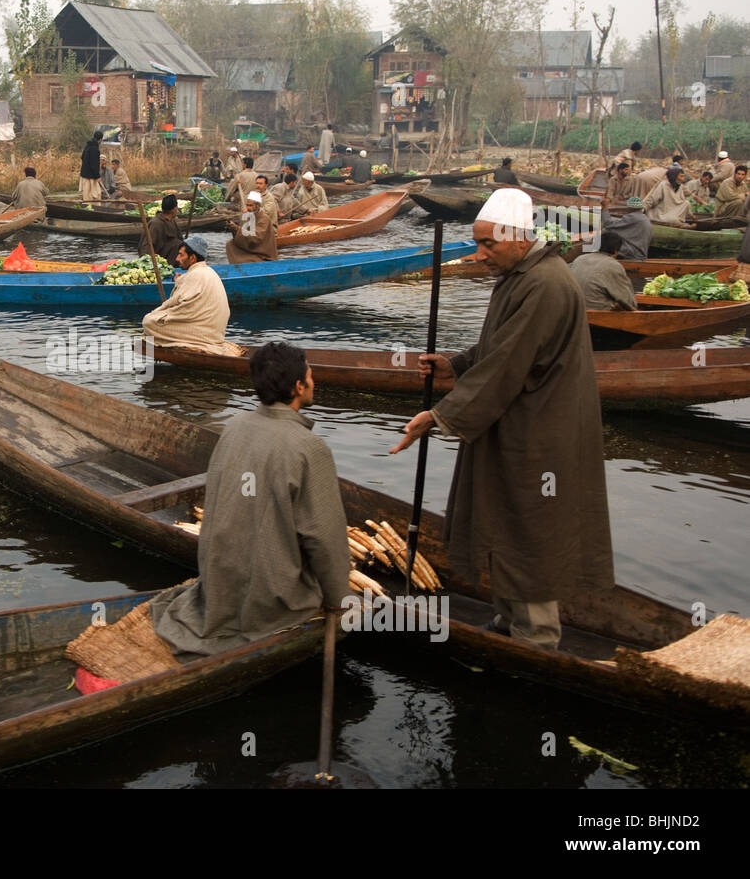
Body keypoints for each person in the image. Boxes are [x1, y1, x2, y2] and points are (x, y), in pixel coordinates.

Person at [390, 188, 614, 650]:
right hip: (516, 422)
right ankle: (509, 620)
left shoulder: (545, 283)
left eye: (488, 244)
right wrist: (457, 363)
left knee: (528, 526)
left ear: (518, 238)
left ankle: (536, 638)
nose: (480, 254)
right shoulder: (520, 274)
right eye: (478, 242)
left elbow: (508, 364)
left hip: (539, 431)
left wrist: (438, 415)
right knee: (502, 516)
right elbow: (496, 345)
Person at [150, 341, 348, 656]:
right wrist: (339, 600)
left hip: (217, 588)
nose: (314, 382)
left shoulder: (235, 427)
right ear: (298, 387)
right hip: (269, 602)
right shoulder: (309, 447)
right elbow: (325, 539)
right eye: (310, 376)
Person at [141, 236, 234, 355]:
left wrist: (155, 313)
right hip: (214, 331)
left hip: (203, 332)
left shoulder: (195, 275)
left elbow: (172, 303)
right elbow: (189, 287)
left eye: (181, 255)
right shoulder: (208, 271)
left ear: (192, 258)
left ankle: (190, 341)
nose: (177, 258)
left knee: (149, 321)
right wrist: (180, 281)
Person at [571, 232, 638, 311]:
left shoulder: (579, 259)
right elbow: (629, 302)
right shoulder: (613, 265)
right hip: (597, 315)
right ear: (616, 251)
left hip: (575, 310)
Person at [226, 191, 276, 263]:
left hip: (262, 253)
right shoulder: (249, 217)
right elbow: (244, 235)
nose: (248, 208)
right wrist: (234, 229)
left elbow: (255, 238)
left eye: (250, 205)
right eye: (247, 205)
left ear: (258, 206)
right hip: (252, 248)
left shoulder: (264, 219)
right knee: (230, 244)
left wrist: (237, 229)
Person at [145, 193, 184, 266]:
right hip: (160, 260)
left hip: (172, 257)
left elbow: (180, 239)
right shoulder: (156, 223)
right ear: (174, 209)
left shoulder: (172, 221)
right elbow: (147, 246)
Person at [79, 130, 103, 201]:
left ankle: (87, 208)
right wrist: (97, 176)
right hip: (91, 176)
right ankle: (94, 209)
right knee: (96, 194)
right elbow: (94, 164)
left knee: (87, 194)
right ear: (101, 139)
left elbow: (82, 157)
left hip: (84, 174)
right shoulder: (95, 149)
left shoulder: (88, 145)